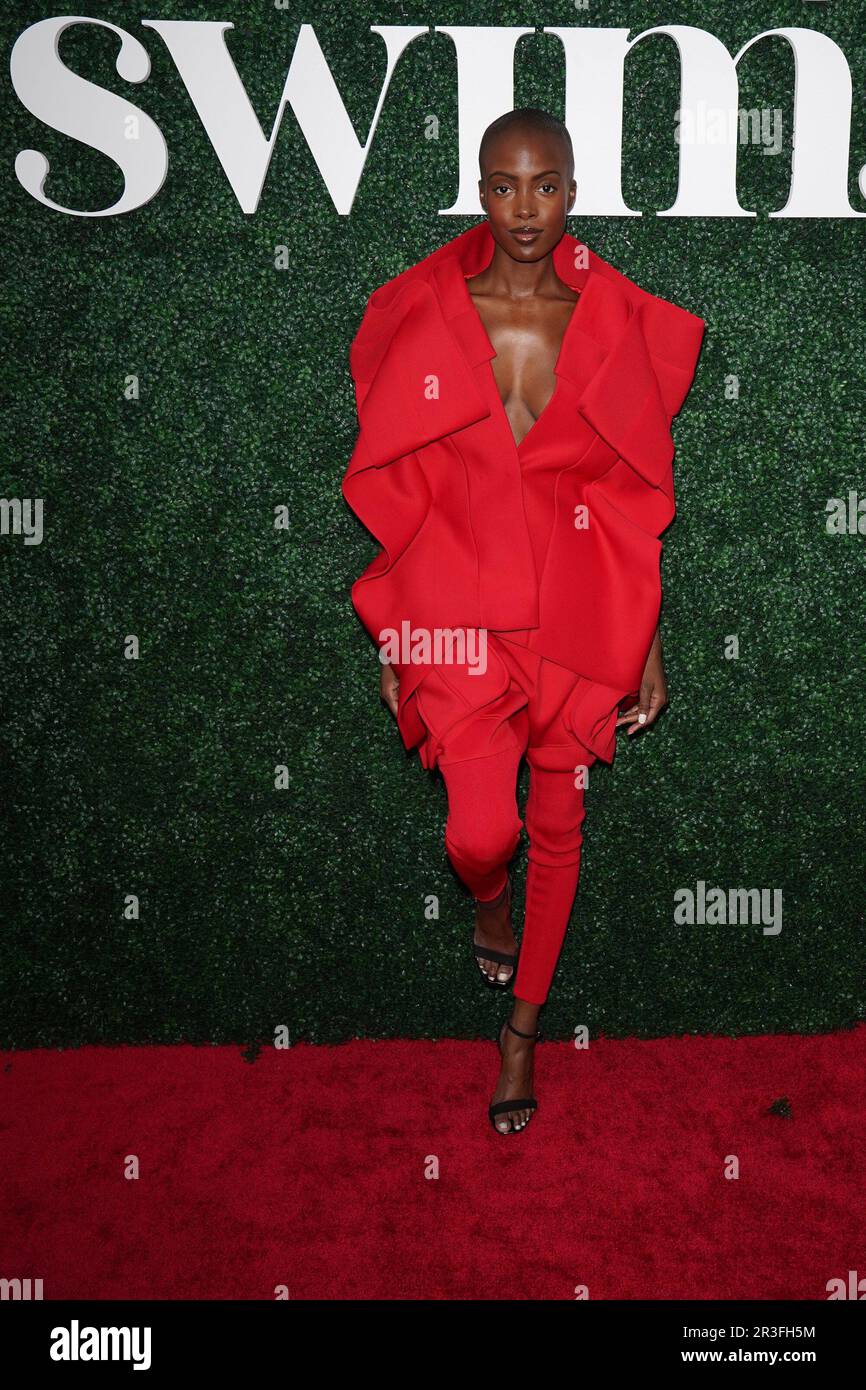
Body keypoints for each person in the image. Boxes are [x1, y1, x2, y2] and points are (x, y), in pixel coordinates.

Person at [342, 108, 705, 1134]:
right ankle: (489, 903)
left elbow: (635, 491)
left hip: (577, 599)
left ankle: (519, 1035)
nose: (523, 208)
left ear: (573, 190)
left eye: (543, 185)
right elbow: (403, 484)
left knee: (558, 822)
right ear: (478, 190)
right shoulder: (430, 313)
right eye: (502, 186)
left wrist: (646, 638)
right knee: (479, 829)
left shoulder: (609, 324)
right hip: (457, 602)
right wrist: (395, 634)